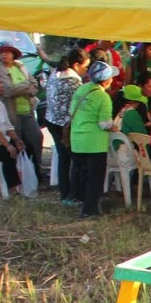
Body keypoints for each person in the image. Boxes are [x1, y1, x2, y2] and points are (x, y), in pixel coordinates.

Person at [71, 59, 120, 220]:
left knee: (82, 174)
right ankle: (89, 210)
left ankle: (81, 202)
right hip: (95, 143)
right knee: (95, 178)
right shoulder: (103, 97)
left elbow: (71, 111)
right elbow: (104, 123)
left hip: (77, 139)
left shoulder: (81, 89)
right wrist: (114, 127)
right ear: (106, 81)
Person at [0, 42, 41, 179]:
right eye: (1, 52)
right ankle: (19, 176)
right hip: (12, 113)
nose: (4, 54)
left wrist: (25, 86)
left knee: (36, 137)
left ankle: (36, 170)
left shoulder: (20, 66)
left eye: (7, 52)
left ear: (13, 54)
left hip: (28, 109)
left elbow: (35, 85)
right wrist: (26, 85)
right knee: (17, 141)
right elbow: (8, 90)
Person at [45, 48, 86, 207]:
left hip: (51, 120)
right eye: (85, 66)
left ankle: (64, 193)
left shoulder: (55, 72)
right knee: (75, 161)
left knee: (64, 159)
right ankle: (73, 195)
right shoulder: (74, 82)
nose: (86, 70)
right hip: (65, 126)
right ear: (76, 65)